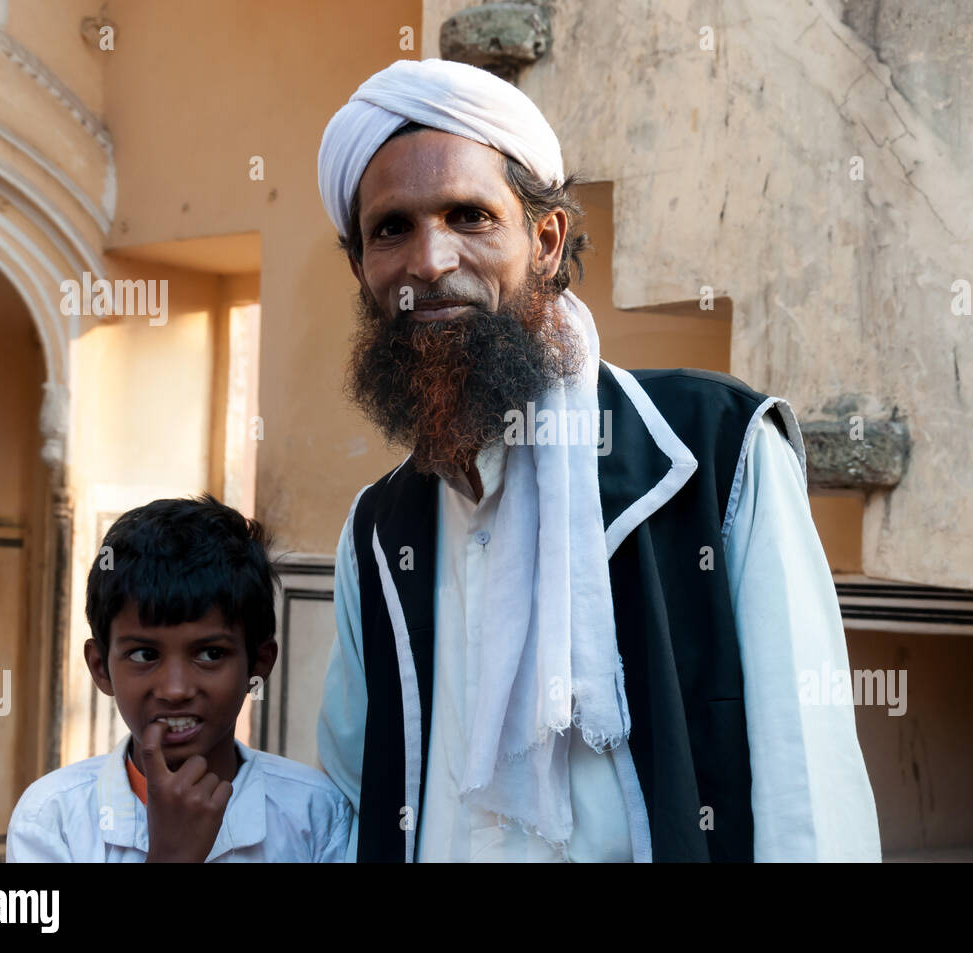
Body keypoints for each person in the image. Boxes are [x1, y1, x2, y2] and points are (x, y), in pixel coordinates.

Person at [316, 58, 881, 862]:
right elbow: (353, 791)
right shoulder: (377, 533)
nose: (429, 261)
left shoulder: (712, 453)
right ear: (361, 268)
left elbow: (810, 803)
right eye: (391, 229)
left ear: (545, 243)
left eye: (470, 216)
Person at [6, 494, 350, 862]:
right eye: (144, 655)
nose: (175, 690)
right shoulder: (51, 819)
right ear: (101, 667)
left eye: (210, 654)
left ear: (259, 662)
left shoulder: (315, 815)